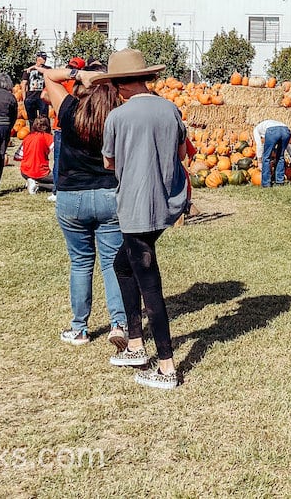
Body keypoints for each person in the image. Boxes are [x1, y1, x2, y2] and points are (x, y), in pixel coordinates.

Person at [96, 49, 191, 390]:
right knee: (123, 264)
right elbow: (182, 153)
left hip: (137, 207)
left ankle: (166, 367)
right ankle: (135, 343)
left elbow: (109, 164)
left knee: (150, 285)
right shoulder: (170, 109)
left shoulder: (118, 118)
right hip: (166, 203)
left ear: (120, 85)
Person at [38, 61, 128, 349]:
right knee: (113, 263)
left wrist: (78, 74)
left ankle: (79, 328)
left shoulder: (69, 110)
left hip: (71, 197)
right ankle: (120, 323)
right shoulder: (118, 116)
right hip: (109, 194)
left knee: (80, 263)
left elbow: (48, 77)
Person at [19, 116, 55, 195]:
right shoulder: (48, 137)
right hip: (41, 172)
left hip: (24, 171)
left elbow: (18, 156)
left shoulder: (27, 137)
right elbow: (57, 151)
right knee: (63, 182)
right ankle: (39, 185)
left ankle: (32, 181)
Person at [252, 118, 291, 187]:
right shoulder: (271, 123)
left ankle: (266, 183)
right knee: (280, 156)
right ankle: (280, 181)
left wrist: (259, 161)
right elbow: (286, 145)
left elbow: (259, 145)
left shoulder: (256, 130)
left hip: (272, 131)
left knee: (266, 157)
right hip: (286, 130)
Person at [22, 52, 50, 123]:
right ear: (37, 58)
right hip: (30, 97)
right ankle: (33, 133)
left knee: (43, 119)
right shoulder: (28, 70)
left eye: (45, 58)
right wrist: (24, 98)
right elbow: (24, 84)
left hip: (42, 98)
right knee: (32, 120)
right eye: (43, 58)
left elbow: (48, 72)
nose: (45, 60)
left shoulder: (48, 69)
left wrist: (35, 67)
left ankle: (43, 133)